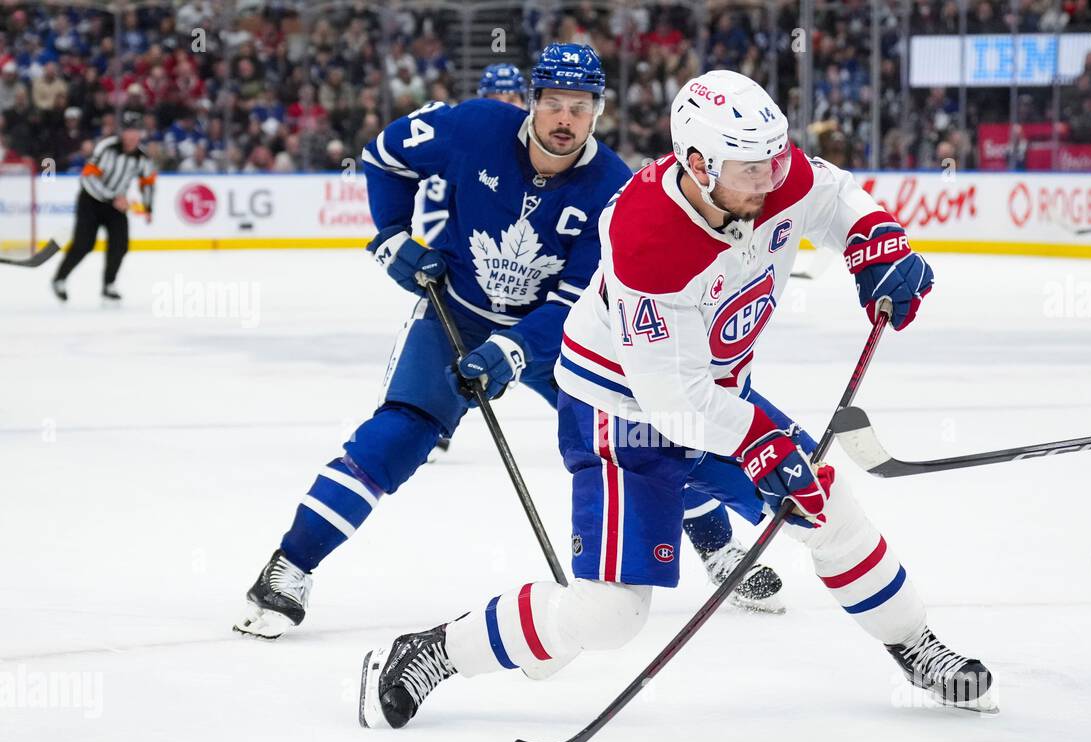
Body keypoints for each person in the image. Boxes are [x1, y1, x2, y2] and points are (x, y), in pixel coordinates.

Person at [358, 70, 996, 731]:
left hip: (716, 397)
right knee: (611, 615)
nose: (773, 179)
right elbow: (673, 403)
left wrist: (876, 243)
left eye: (776, 159)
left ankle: (915, 643)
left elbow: (831, 195)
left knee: (828, 510)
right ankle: (434, 651)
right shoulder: (648, 238)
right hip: (619, 418)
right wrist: (763, 446)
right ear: (698, 163)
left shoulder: (771, 174)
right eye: (752, 168)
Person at [236, 48, 787, 641]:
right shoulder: (472, 126)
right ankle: (289, 567)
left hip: (563, 343)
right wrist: (393, 236)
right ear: (533, 100)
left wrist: (515, 350)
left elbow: (578, 301)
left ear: (598, 112)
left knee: (647, 438)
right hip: (459, 314)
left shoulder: (615, 192)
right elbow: (384, 158)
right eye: (553, 102)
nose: (564, 118)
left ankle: (718, 548)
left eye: (579, 107)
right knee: (400, 433)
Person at [51, 111, 154, 302]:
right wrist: (113, 197)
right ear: (122, 133)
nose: (132, 136)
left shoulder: (142, 157)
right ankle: (60, 279)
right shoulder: (106, 147)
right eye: (129, 131)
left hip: (115, 206)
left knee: (120, 245)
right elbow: (88, 177)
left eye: (136, 131)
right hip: (90, 201)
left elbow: (147, 182)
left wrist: (148, 207)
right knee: (83, 245)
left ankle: (109, 285)